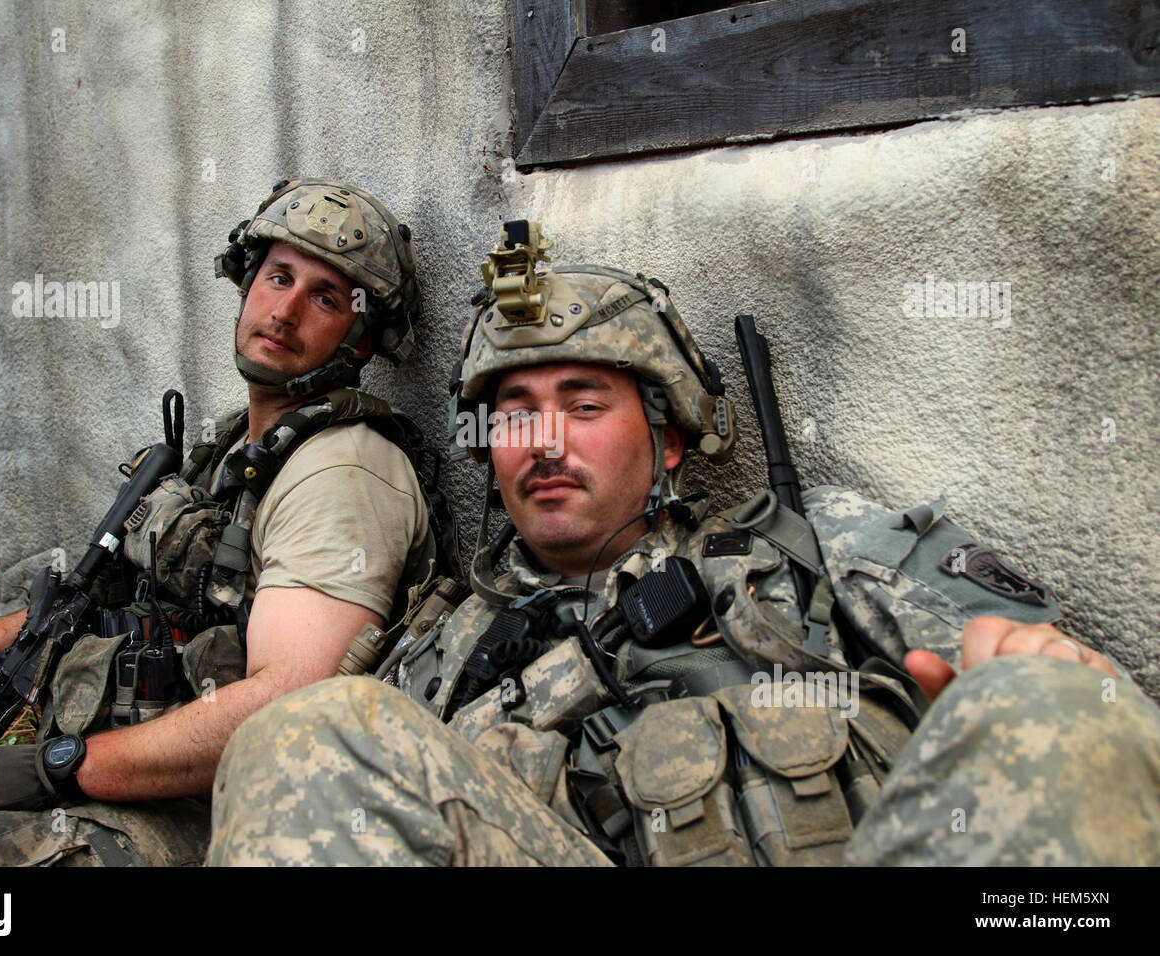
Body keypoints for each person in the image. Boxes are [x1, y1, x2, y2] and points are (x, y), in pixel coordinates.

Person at [207, 221, 1160, 867]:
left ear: (666, 438)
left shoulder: (818, 552)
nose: (543, 443)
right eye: (514, 416)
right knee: (299, 738)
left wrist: (1042, 683)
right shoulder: (438, 655)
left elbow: (1077, 702)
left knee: (1056, 711)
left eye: (584, 407)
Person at [0, 178, 444, 866]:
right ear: (246, 281)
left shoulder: (344, 473)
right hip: (130, 776)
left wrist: (63, 763)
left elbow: (287, 704)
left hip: (229, 815)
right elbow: (121, 601)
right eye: (277, 277)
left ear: (364, 339)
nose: (284, 311)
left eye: (324, 298)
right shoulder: (236, 453)